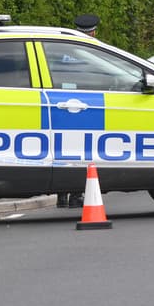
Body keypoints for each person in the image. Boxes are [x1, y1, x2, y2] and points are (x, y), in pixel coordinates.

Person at [58, 13, 100, 209]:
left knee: (62, 149)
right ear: (93, 31)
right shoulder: (93, 50)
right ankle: (75, 196)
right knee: (82, 151)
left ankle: (61, 195)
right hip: (85, 106)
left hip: (61, 107)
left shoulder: (62, 49)